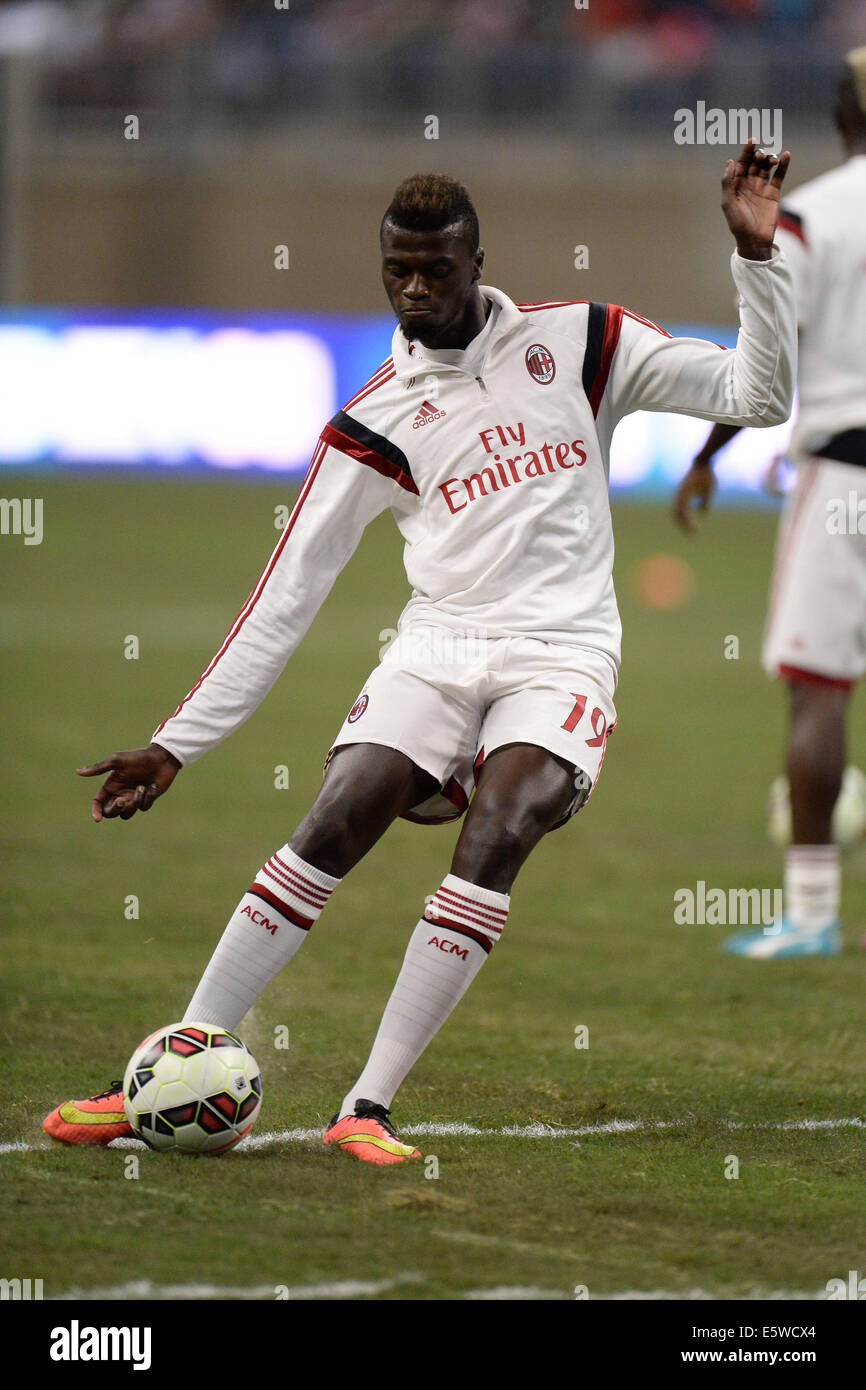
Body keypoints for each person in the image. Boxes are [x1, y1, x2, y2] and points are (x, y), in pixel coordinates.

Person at [44, 144, 794, 1163]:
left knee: (500, 825)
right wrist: (177, 744)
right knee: (336, 817)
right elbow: (283, 596)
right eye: (395, 267)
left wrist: (756, 258)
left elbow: (757, 396)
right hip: (437, 648)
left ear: (476, 259)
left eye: (433, 268)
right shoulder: (371, 421)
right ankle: (169, 1064)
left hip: (561, 655)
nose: (411, 286)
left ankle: (366, 1106)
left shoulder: (582, 343)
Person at [674, 49, 866, 959]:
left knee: (819, 692)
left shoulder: (814, 214)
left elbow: (771, 350)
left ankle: (815, 913)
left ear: (843, 118)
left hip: (844, 473)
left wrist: (709, 454)